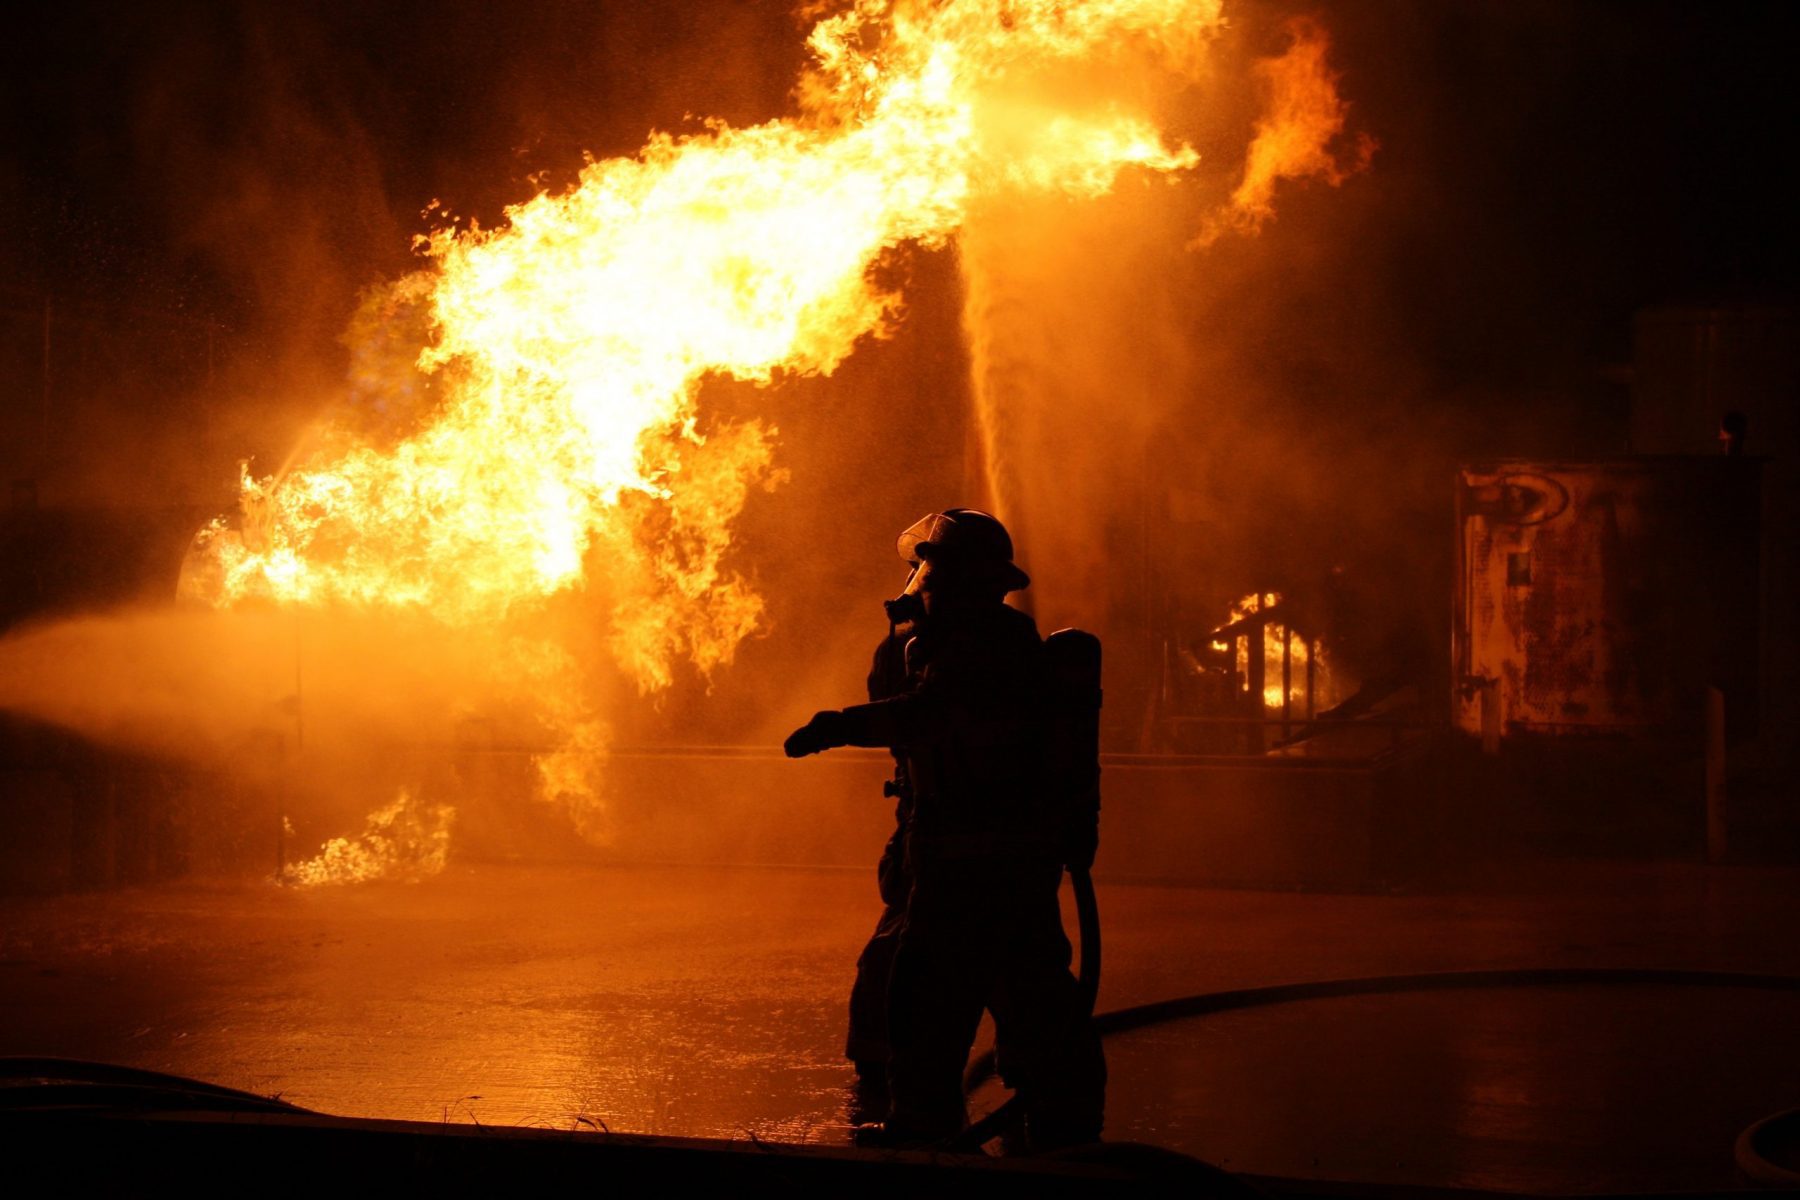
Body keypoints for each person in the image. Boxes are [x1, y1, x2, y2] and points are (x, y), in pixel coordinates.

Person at [785, 509, 1105, 1150]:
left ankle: (928, 1135)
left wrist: (839, 726)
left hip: (968, 863)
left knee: (931, 999)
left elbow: (930, 714)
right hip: (994, 858)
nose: (914, 585)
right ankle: (1056, 1130)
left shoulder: (987, 646)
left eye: (922, 572)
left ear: (947, 575)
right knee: (1027, 992)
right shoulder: (969, 641)